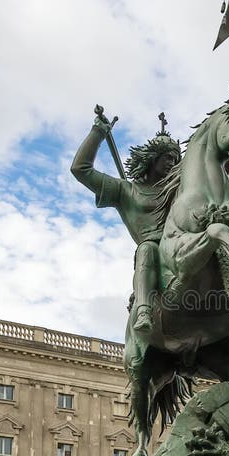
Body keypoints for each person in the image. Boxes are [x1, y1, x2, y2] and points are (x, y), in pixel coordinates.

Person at [71, 113, 181, 333]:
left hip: (181, 247)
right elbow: (80, 169)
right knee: (147, 249)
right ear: (153, 158)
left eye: (175, 159)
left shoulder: (181, 190)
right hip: (154, 252)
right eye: (168, 157)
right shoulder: (125, 190)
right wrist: (98, 133)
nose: (172, 163)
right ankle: (143, 309)